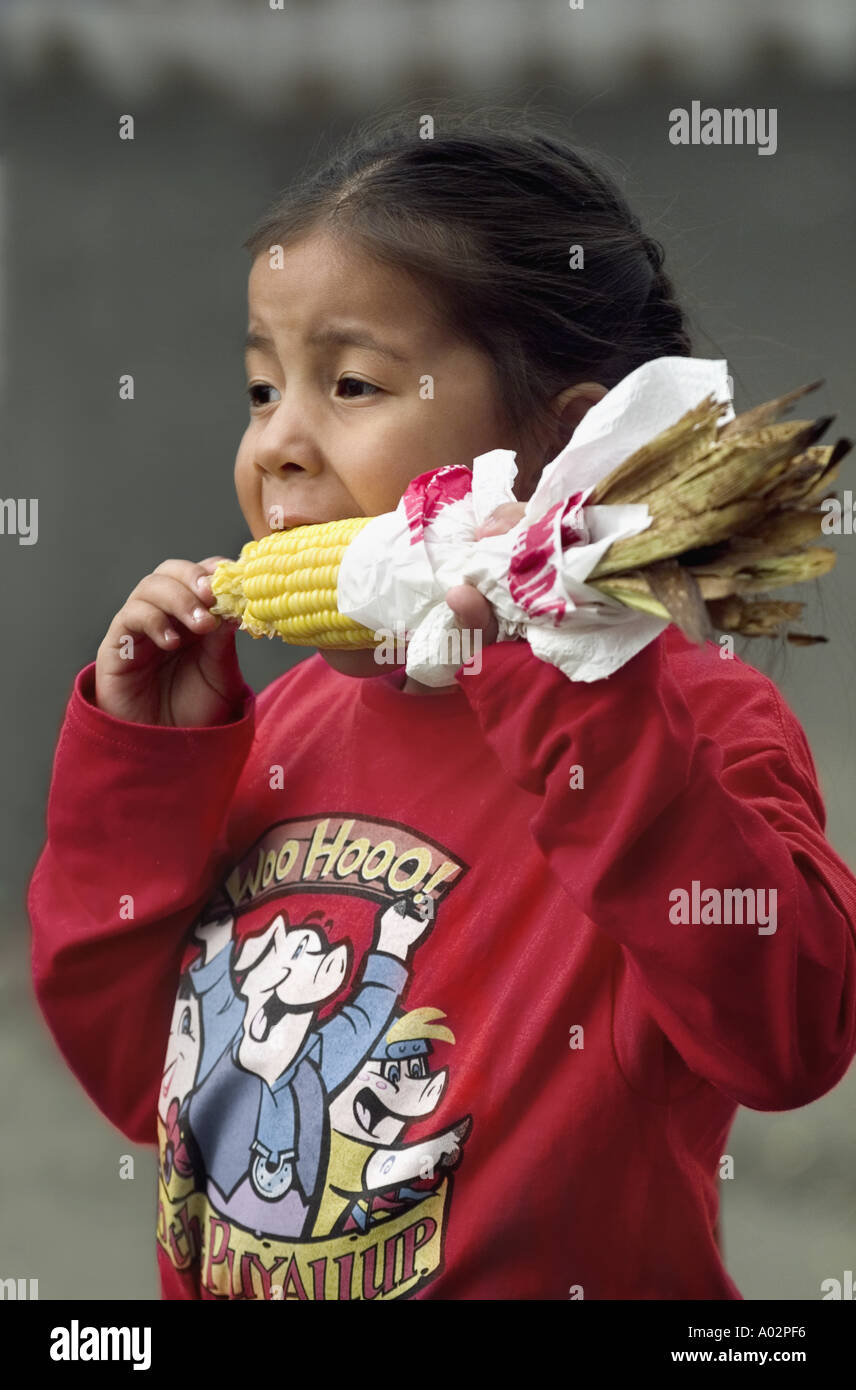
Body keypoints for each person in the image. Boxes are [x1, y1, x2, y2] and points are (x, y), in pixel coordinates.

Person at [27, 109, 856, 1301]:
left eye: (351, 382)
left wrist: (568, 689)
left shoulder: (693, 727)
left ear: (564, 447)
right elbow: (138, 1088)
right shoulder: (281, 734)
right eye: (262, 389)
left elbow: (789, 1043)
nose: (278, 449)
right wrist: (144, 769)